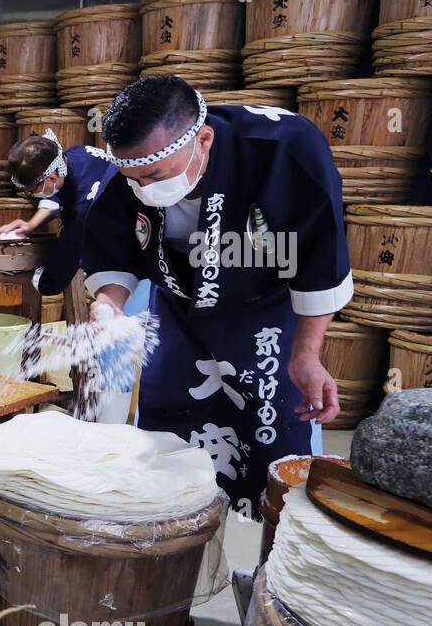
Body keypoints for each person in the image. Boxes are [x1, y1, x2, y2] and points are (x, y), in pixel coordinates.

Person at [79, 75, 349, 512]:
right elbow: (115, 242)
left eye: (155, 176)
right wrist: (108, 302)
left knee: (273, 443)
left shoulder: (283, 147)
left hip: (263, 310)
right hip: (178, 311)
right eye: (133, 179)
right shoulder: (138, 164)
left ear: (203, 140)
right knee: (166, 443)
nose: (144, 189)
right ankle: (173, 544)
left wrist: (307, 354)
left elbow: (321, 259)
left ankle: (269, 567)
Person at [0, 128, 116, 296]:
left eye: (32, 189)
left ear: (52, 177)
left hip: (128, 254)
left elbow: (62, 270)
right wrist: (31, 225)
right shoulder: (73, 155)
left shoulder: (82, 210)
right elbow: (61, 191)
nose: (31, 194)